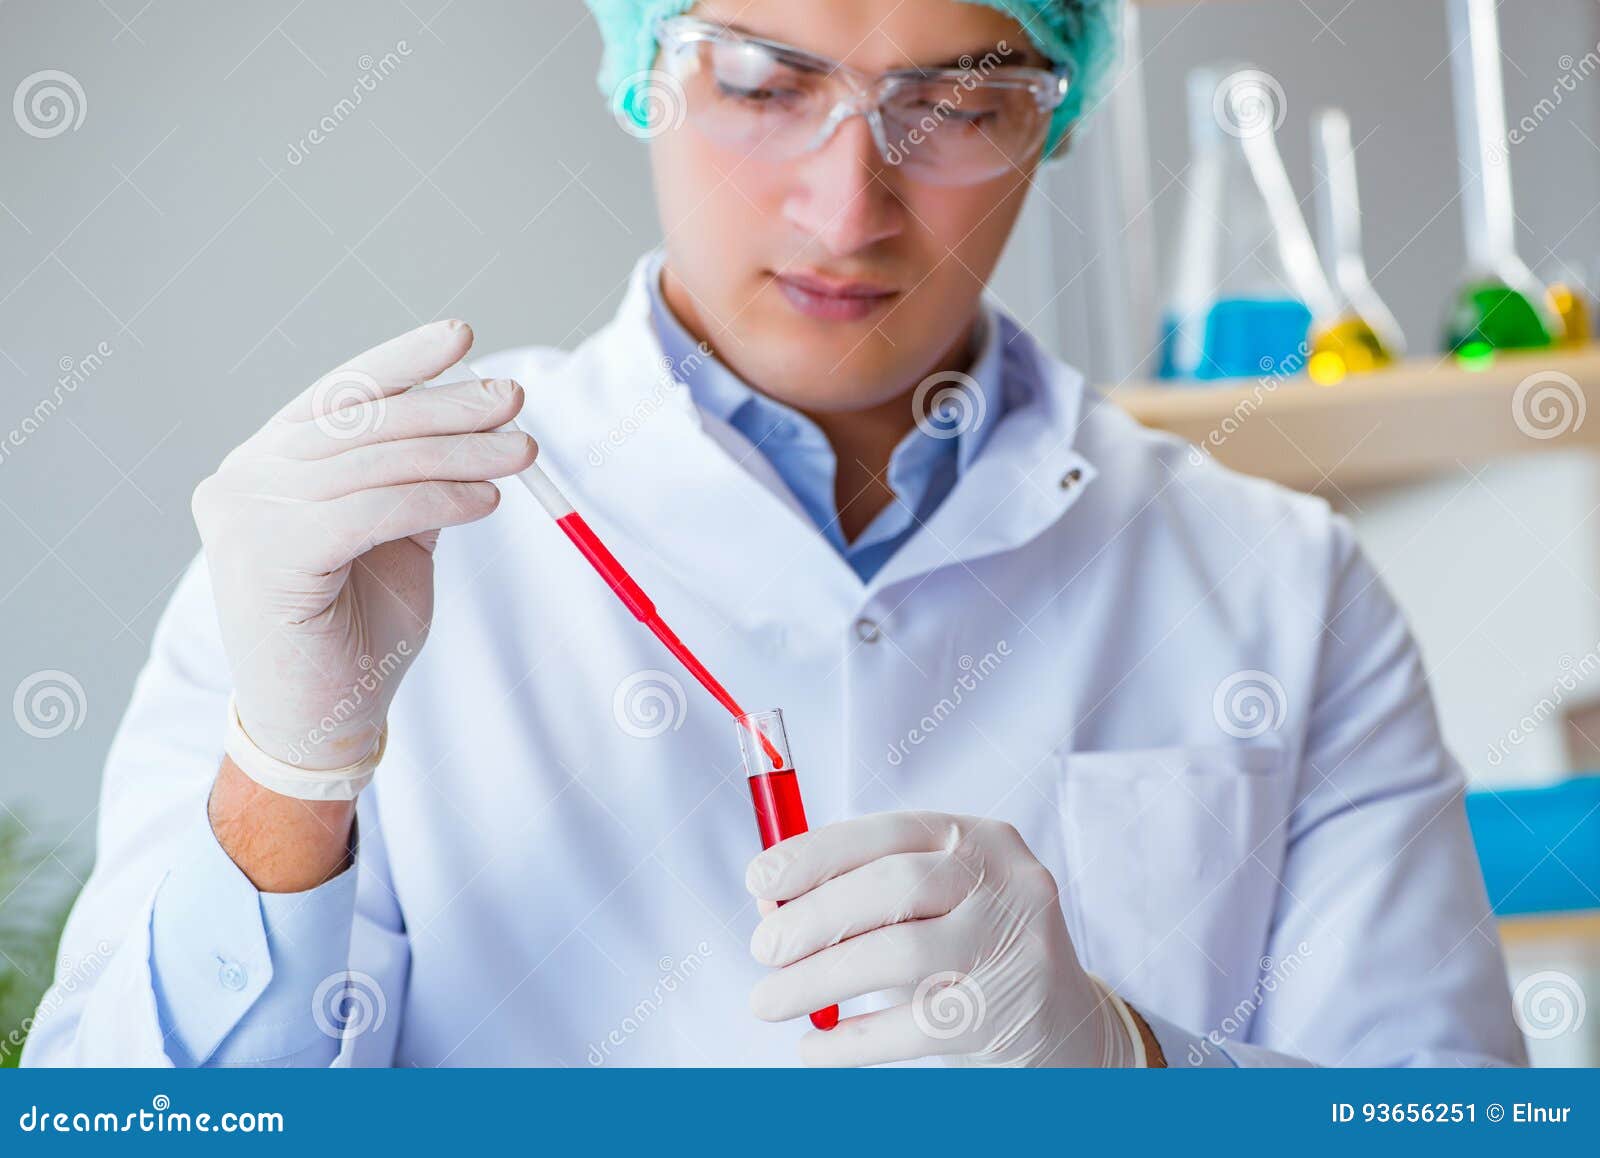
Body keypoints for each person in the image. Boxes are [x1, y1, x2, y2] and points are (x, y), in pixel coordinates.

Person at [23, 0, 1523, 1068]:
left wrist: (1127, 1071)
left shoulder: (1281, 582)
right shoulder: (368, 546)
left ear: (1051, 113)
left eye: (955, 100)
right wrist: (289, 781)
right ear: (642, 76)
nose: (847, 202)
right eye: (759, 79)